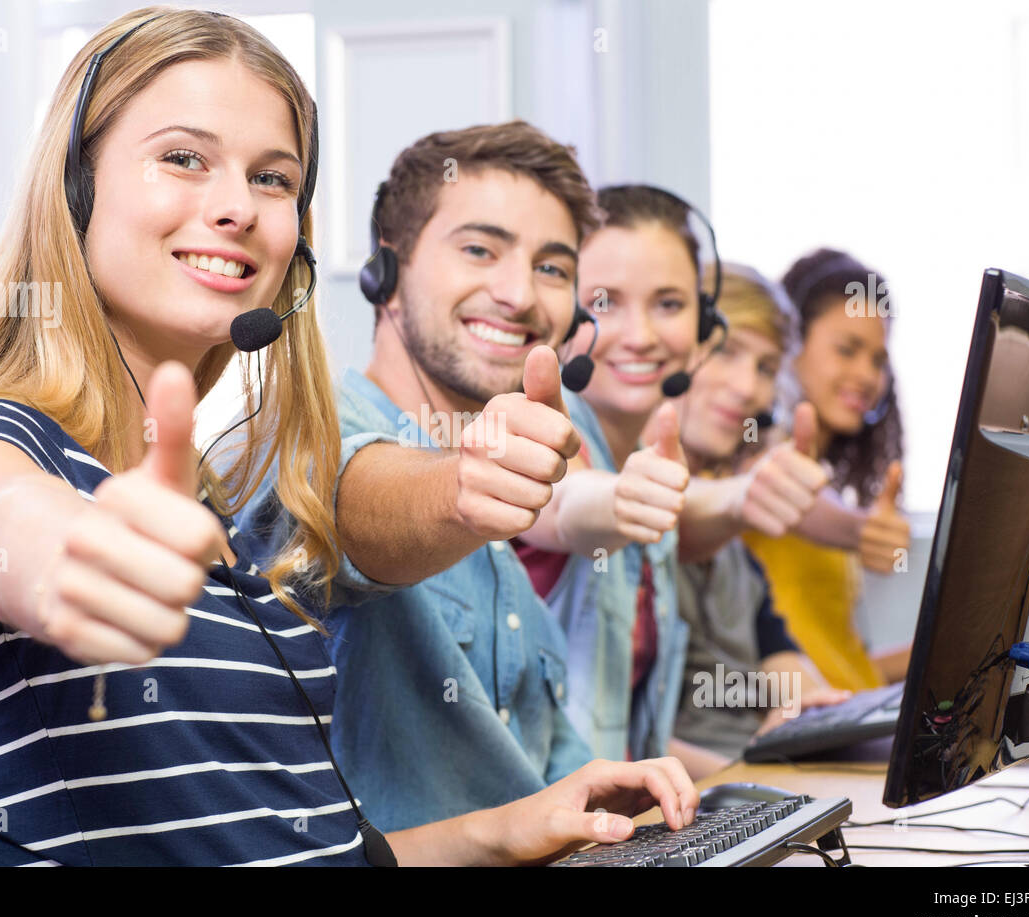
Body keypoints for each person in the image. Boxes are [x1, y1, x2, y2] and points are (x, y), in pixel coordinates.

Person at [0, 8, 695, 866]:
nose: (235, 206)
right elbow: (9, 526)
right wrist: (76, 559)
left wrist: (511, 829)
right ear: (75, 188)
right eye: (184, 159)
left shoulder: (216, 514)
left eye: (272, 178)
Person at [235, 121, 701, 833]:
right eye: (480, 249)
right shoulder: (307, 424)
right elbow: (355, 502)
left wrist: (628, 798)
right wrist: (461, 491)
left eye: (551, 268)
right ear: (386, 270)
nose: (519, 294)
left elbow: (548, 788)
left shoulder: (509, 566)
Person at [512, 185, 834, 777]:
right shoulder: (536, 430)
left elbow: (688, 512)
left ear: (701, 321)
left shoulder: (648, 451)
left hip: (626, 830)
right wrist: (720, 494)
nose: (640, 335)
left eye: (668, 304)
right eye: (606, 303)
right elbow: (568, 501)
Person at [669, 263, 845, 759]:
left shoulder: (734, 549)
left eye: (767, 368)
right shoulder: (618, 509)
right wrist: (757, 784)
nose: (747, 387)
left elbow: (778, 651)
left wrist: (808, 712)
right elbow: (625, 744)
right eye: (726, 351)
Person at [741, 248, 912, 690]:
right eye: (847, 349)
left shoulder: (822, 474)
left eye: (877, 359)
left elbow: (841, 660)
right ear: (791, 345)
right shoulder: (754, 448)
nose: (866, 374)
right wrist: (862, 529)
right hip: (806, 727)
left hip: (846, 710)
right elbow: (783, 489)